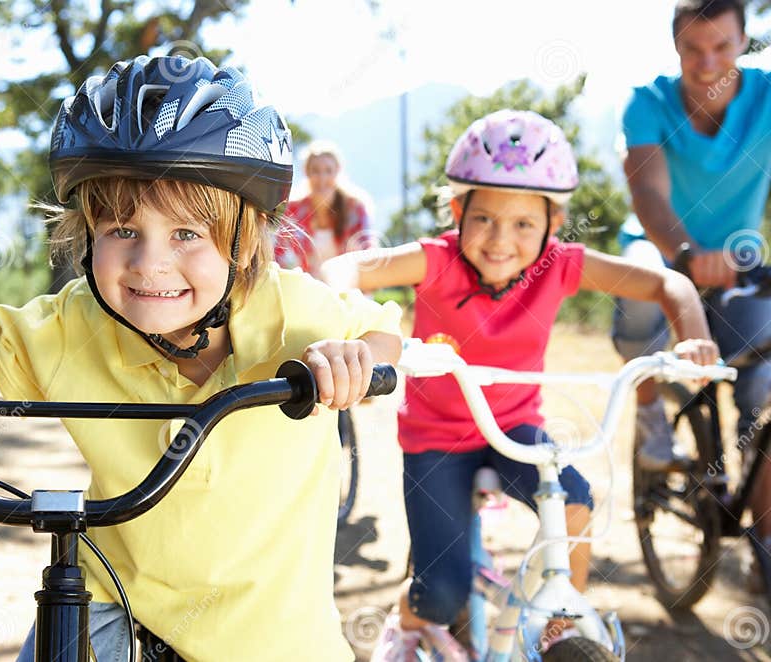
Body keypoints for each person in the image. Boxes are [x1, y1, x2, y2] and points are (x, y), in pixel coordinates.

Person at [0, 56, 402, 661]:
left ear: (242, 241)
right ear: (86, 236)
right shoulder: (77, 320)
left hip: (275, 640)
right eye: (122, 231)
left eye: (187, 234)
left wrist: (351, 361)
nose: (149, 263)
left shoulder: (297, 312)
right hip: (117, 610)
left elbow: (382, 337)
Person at [322, 110, 718, 660]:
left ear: (553, 225)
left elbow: (667, 282)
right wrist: (350, 322)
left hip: (514, 428)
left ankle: (563, 622)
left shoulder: (558, 265)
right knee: (439, 594)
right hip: (436, 439)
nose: (500, 240)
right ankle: (407, 619)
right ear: (457, 211)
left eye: (524, 224)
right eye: (483, 219)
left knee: (575, 496)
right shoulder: (435, 260)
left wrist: (692, 337)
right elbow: (347, 268)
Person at [613, 0, 771, 550]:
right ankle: (651, 416)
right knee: (636, 285)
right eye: (693, 49)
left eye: (723, 47)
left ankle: (763, 548)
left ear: (745, 41)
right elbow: (648, 192)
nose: (708, 63)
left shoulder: (767, 97)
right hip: (662, 251)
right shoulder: (649, 102)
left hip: (742, 263)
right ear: (676, 46)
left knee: (762, 391)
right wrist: (684, 253)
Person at [275, 140, 376, 278]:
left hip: (349, 287)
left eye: (328, 171)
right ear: (306, 173)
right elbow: (277, 253)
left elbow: (369, 255)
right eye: (315, 170)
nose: (322, 178)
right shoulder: (293, 210)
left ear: (338, 172)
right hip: (308, 290)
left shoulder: (356, 209)